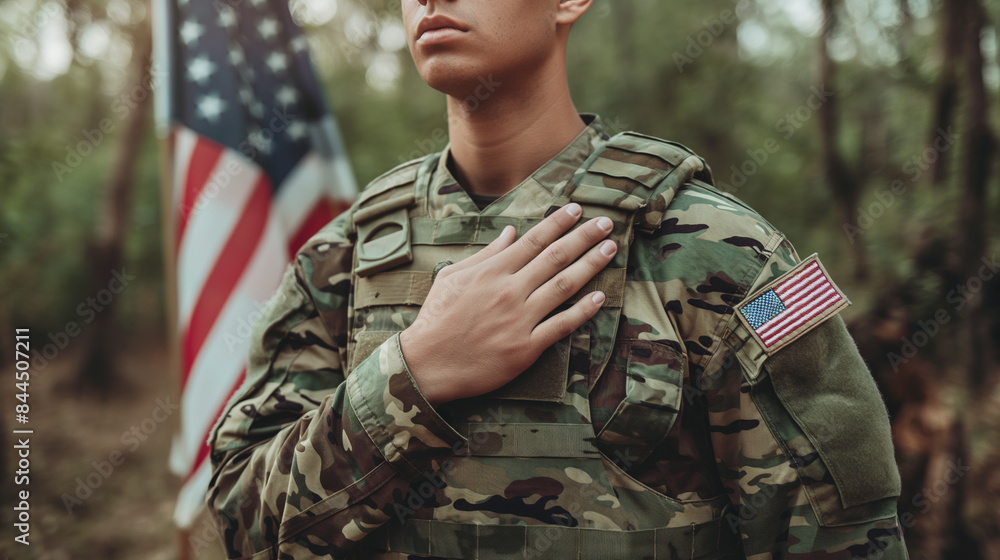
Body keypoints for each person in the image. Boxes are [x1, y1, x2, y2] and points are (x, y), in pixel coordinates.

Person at [206, 0, 909, 558]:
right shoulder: (341, 259)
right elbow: (243, 526)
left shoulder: (731, 253)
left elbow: (846, 536)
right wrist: (411, 372)